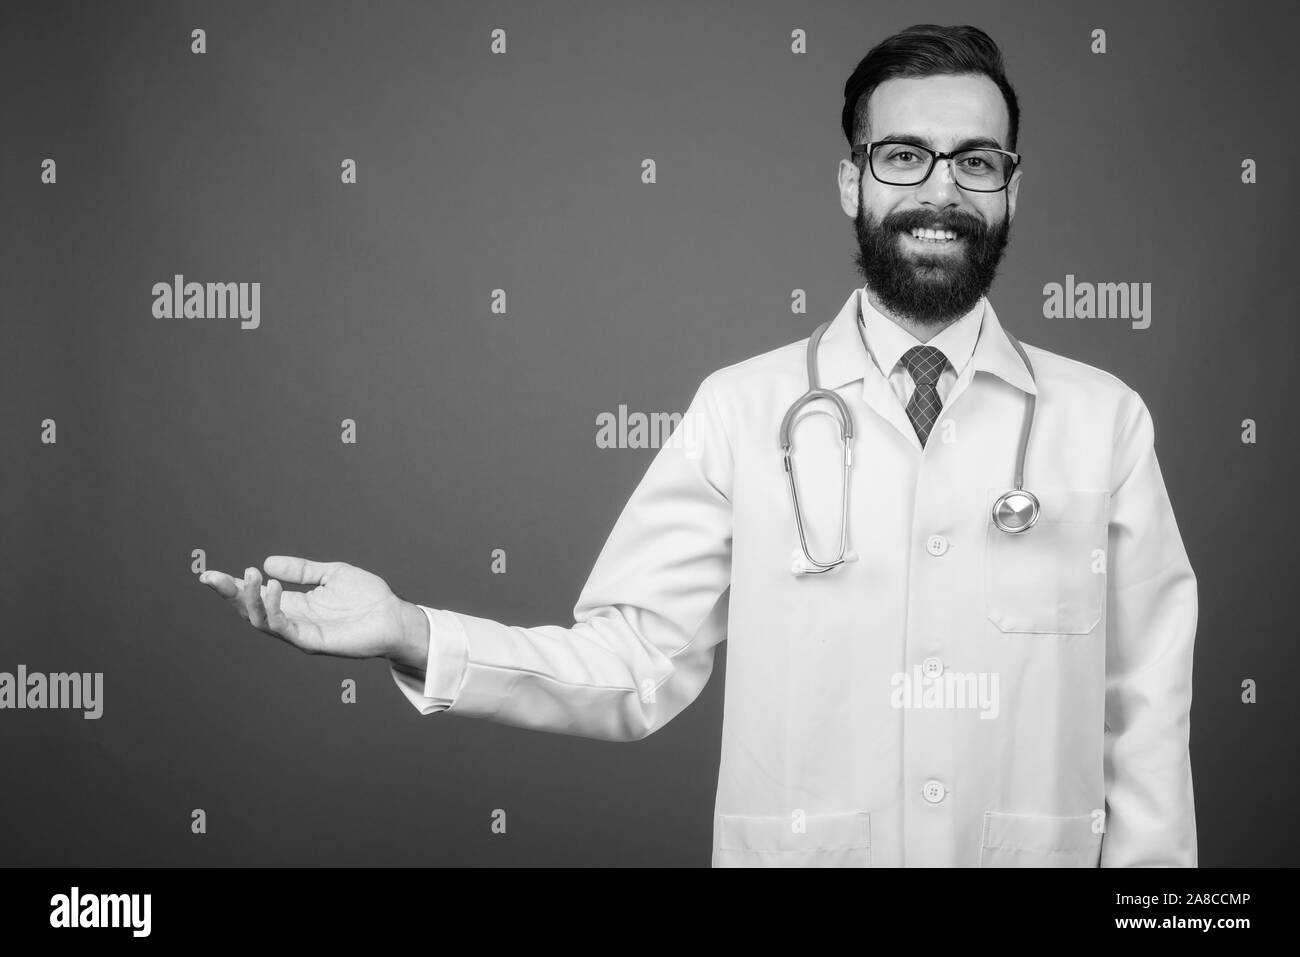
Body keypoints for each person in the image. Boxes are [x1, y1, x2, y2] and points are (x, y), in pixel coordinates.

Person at [200, 23, 1197, 867]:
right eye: (903, 157)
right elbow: (630, 667)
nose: (940, 191)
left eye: (975, 162)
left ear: (1011, 191)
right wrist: (412, 630)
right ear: (851, 182)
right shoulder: (739, 409)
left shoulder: (1101, 421)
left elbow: (1143, 718)